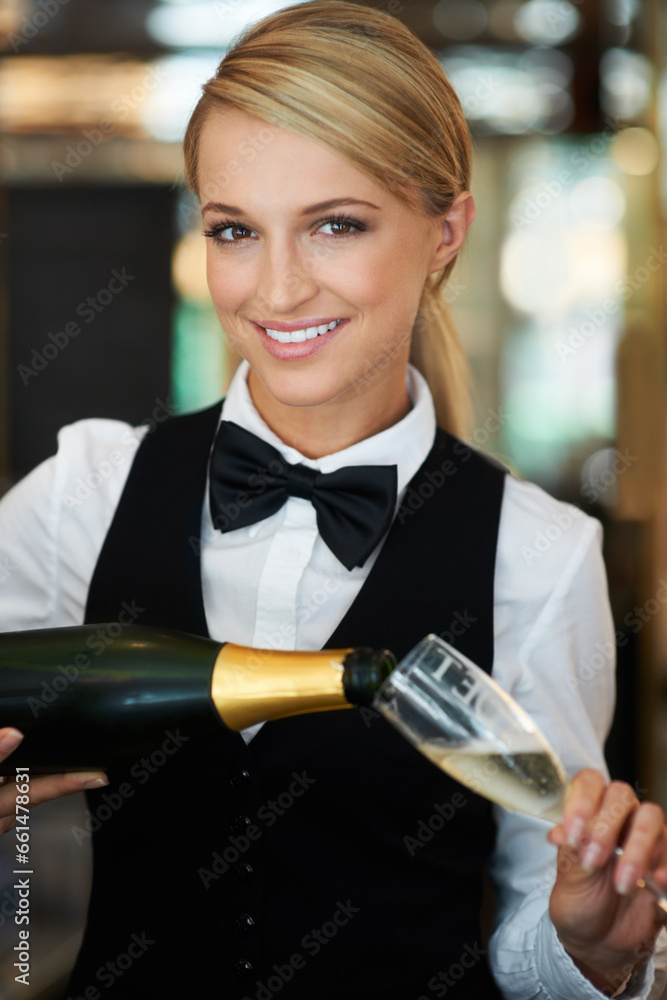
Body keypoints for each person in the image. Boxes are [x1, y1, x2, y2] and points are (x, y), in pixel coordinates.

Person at [0, 2, 666, 997]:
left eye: (335, 225)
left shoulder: (537, 554)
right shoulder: (85, 493)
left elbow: (533, 948)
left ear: (446, 232)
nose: (274, 290)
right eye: (234, 229)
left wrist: (596, 950)